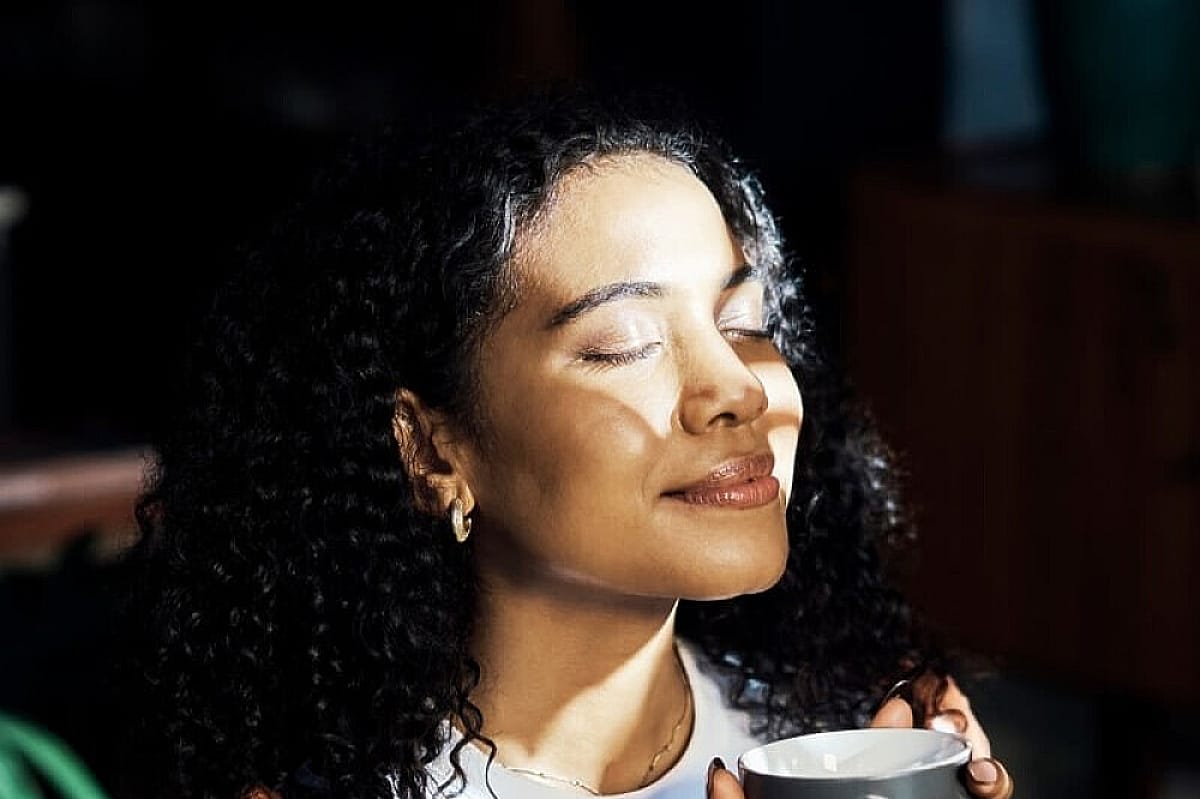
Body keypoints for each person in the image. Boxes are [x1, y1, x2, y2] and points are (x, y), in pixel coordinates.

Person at [126, 88, 1014, 799]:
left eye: (745, 323)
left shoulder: (848, 742)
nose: (739, 389)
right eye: (626, 344)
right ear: (430, 451)